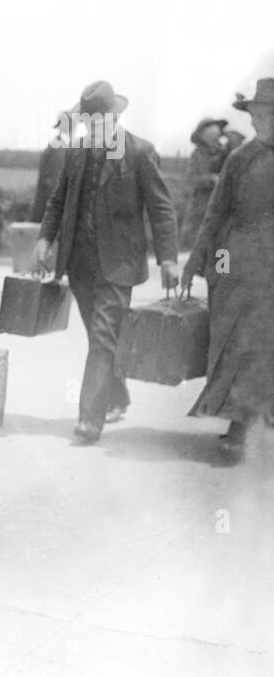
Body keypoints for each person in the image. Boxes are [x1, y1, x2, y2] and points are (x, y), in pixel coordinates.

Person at [34, 80, 179, 444]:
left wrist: (168, 259)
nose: (93, 128)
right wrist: (43, 238)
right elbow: (58, 200)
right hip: (79, 262)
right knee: (99, 335)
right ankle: (117, 396)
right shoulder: (77, 152)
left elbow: (161, 209)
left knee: (102, 338)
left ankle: (89, 420)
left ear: (114, 118)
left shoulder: (140, 152)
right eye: (88, 121)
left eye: (99, 121)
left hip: (119, 265)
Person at [181, 78, 274, 464]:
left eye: (264, 113)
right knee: (239, 339)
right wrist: (202, 265)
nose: (256, 122)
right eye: (254, 114)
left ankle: (257, 413)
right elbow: (216, 214)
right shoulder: (239, 158)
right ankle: (239, 422)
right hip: (236, 259)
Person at [180, 118, 233, 251]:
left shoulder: (227, 153)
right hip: (202, 206)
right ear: (202, 137)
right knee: (200, 246)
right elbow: (190, 180)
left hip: (224, 205)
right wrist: (210, 179)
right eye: (209, 135)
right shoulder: (197, 155)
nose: (213, 139)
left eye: (216, 135)